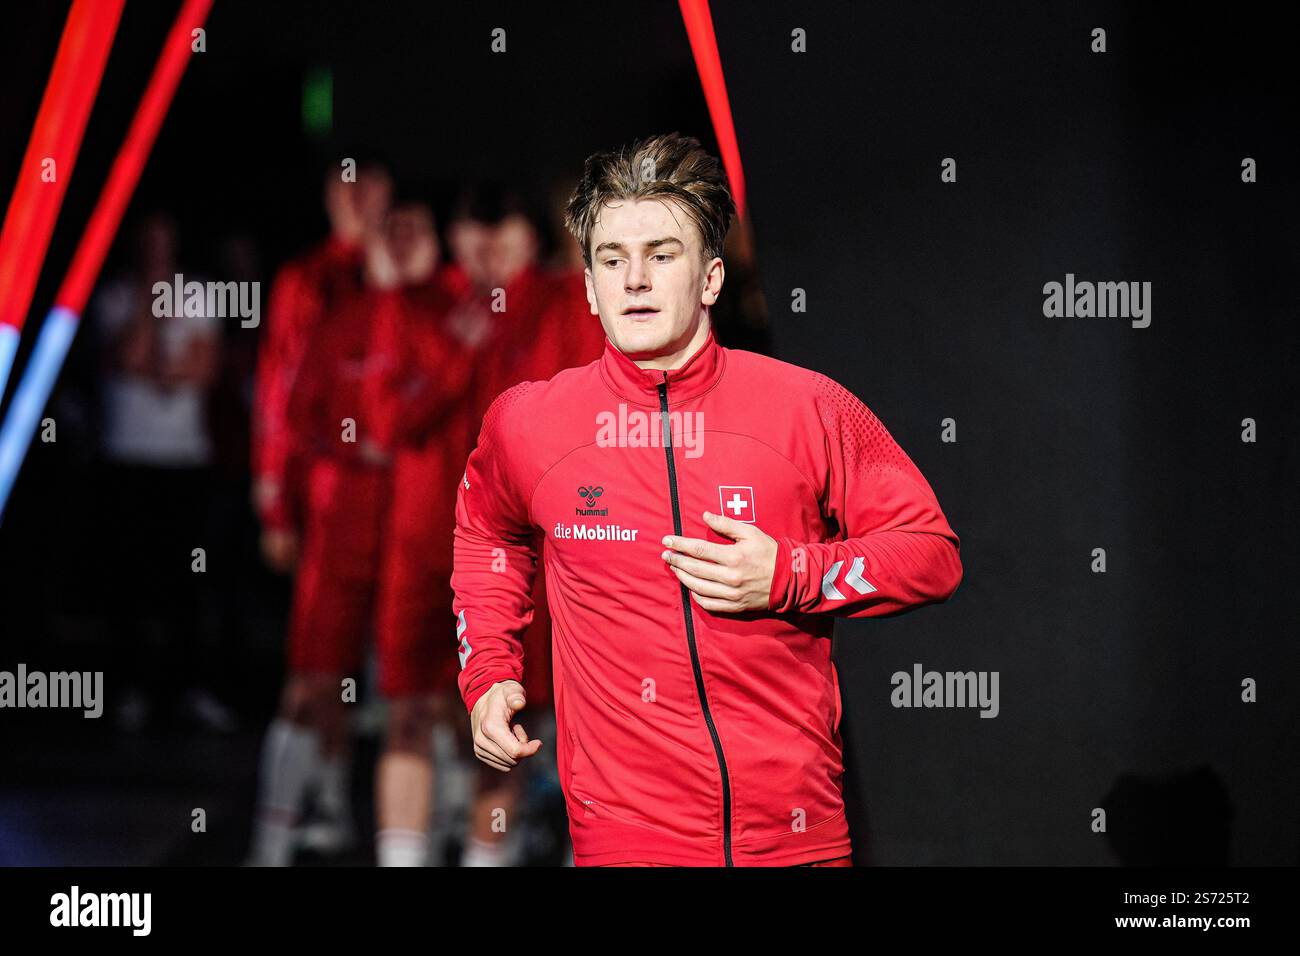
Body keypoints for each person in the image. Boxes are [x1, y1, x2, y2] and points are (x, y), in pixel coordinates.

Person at [451, 132, 963, 866]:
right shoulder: (530, 422)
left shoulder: (805, 407)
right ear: (588, 287)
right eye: (612, 259)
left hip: (797, 835)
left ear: (712, 278)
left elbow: (931, 555)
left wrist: (792, 575)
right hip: (625, 841)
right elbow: (485, 535)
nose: (636, 280)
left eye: (662, 254)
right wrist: (490, 672)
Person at [246, 155, 393, 866]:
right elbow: (278, 387)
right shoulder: (308, 279)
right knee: (315, 669)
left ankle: (345, 813)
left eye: (372, 184)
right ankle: (275, 840)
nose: (360, 197)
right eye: (347, 183)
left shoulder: (426, 280)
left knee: (419, 685)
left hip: (412, 513)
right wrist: (273, 496)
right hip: (331, 506)